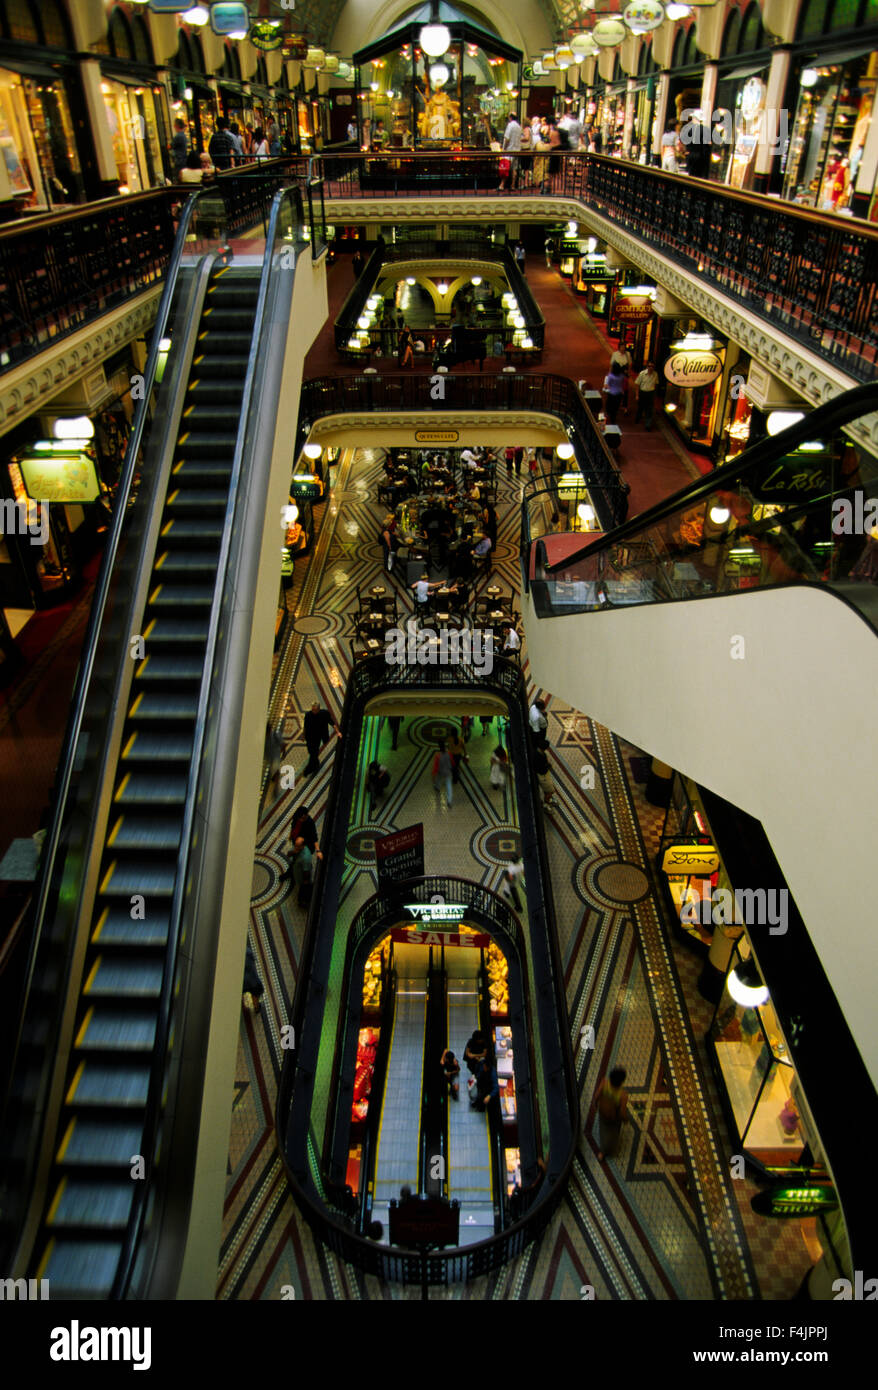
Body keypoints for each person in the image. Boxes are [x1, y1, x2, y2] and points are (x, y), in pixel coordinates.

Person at [594, 1066, 629, 1159]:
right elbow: (622, 1112)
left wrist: (595, 1104)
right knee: (612, 1134)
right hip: (613, 1118)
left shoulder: (604, 1082)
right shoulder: (622, 1095)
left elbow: (597, 1095)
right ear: (621, 1082)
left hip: (602, 1113)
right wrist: (625, 1120)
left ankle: (602, 1150)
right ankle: (604, 1151)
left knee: (603, 1130)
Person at [302, 701, 340, 776]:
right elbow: (305, 726)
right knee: (311, 752)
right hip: (309, 736)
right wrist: (303, 735)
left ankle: (308, 770)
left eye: (315, 710)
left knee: (313, 753)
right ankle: (316, 764)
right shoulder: (308, 715)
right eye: (312, 709)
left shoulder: (324, 714)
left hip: (317, 737)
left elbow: (332, 723)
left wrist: (338, 732)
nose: (313, 711)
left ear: (319, 709)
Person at [288, 835, 313, 908]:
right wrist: (294, 851)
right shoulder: (297, 849)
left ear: (303, 846)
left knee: (303, 889)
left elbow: (306, 873)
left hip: (300, 876)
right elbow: (288, 854)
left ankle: (304, 901)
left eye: (297, 846)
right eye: (295, 845)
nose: (295, 847)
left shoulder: (306, 858)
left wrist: (303, 886)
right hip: (296, 869)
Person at [635, 360, 660, 430]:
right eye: (649, 366)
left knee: (649, 409)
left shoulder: (655, 374)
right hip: (643, 392)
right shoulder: (642, 374)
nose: (650, 368)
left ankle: (648, 424)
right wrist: (637, 395)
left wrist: (655, 395)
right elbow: (637, 384)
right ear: (647, 366)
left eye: (652, 366)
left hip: (650, 393)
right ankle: (638, 418)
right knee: (640, 407)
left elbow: (656, 384)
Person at [242, 939, 264, 1015]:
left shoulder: (247, 953)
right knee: (256, 992)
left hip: (246, 983)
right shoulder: (247, 953)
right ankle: (257, 1008)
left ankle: (257, 1008)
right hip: (252, 983)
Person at [432, 740, 454, 808]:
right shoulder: (449, 753)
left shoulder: (438, 756)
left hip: (440, 772)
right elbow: (452, 762)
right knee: (449, 786)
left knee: (439, 780)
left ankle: (437, 787)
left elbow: (435, 767)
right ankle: (449, 801)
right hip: (448, 772)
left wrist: (433, 775)